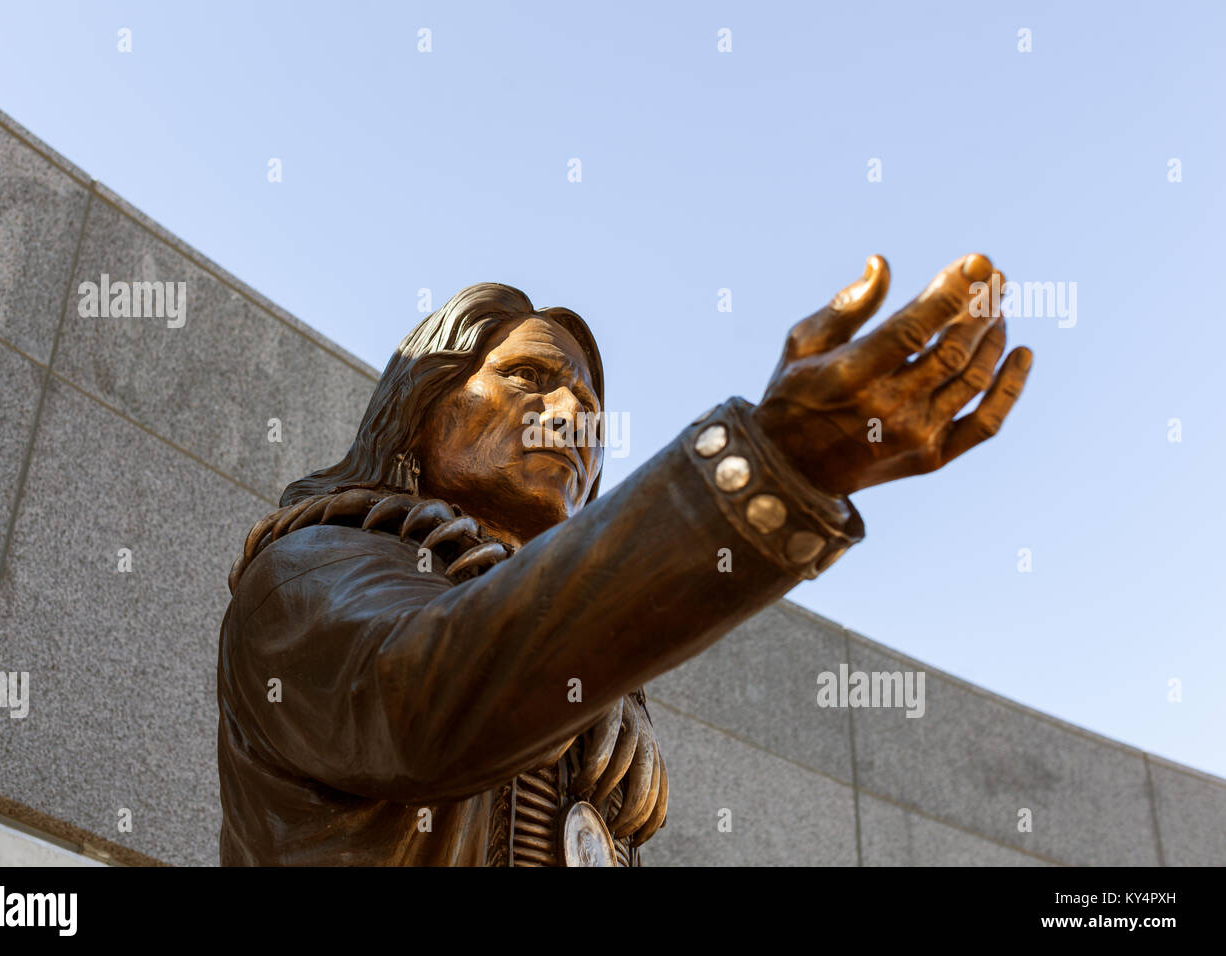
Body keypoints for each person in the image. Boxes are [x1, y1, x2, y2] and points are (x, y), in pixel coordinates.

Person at [216, 254, 1031, 866]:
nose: (573, 413)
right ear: (422, 403)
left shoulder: (587, 681)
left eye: (592, 407)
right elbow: (425, 699)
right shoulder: (303, 573)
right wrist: (774, 464)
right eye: (530, 377)